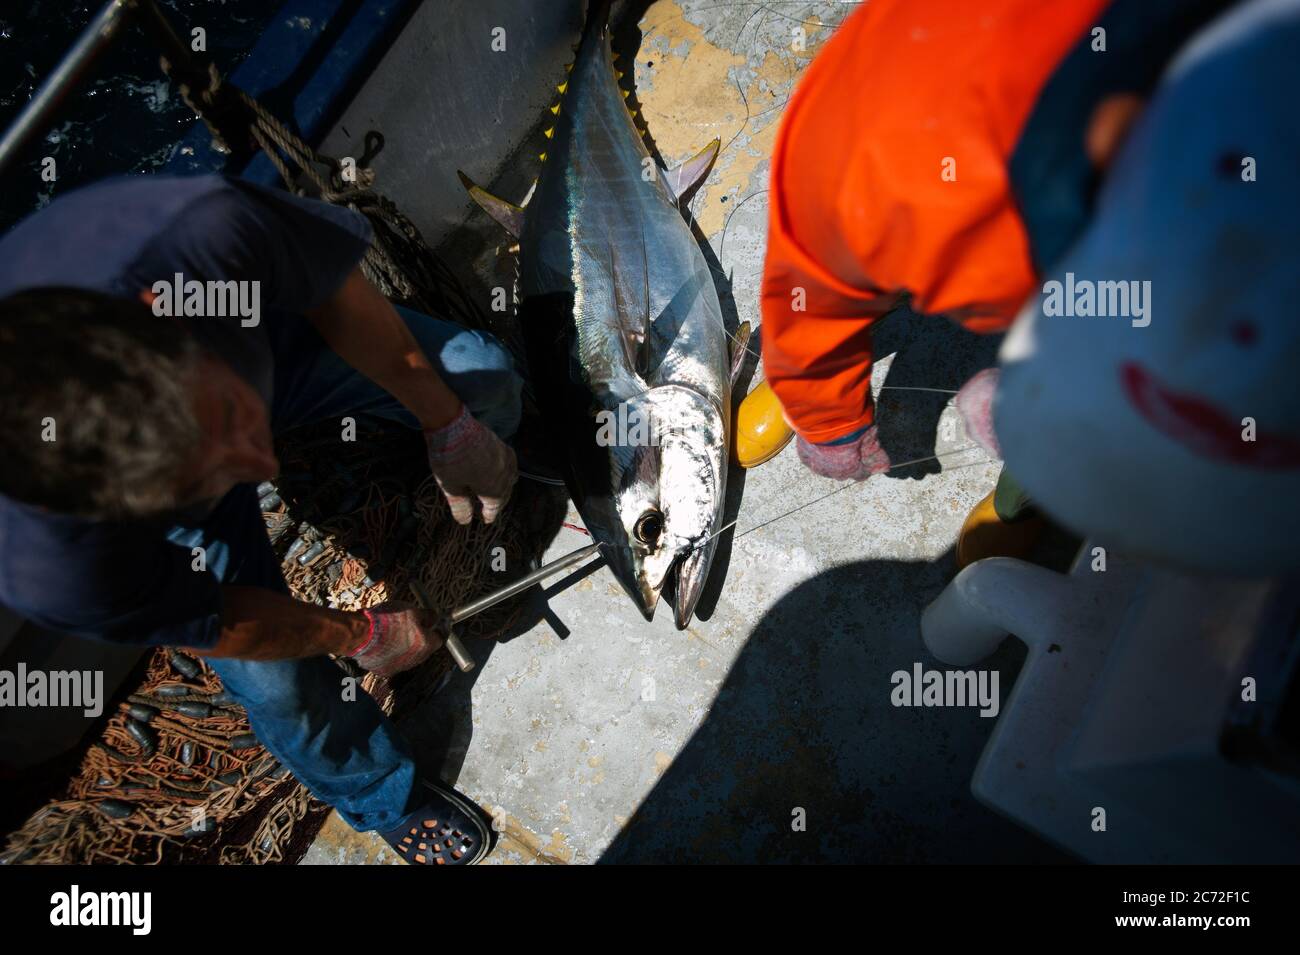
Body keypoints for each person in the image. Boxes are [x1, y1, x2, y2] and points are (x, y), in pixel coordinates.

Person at [0, 173, 520, 865]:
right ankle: (382, 795)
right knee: (282, 685)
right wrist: (362, 631)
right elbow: (231, 621)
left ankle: (486, 465)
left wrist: (447, 422)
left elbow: (335, 291)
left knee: (487, 380)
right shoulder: (50, 567)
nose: (259, 463)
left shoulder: (194, 231)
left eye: (229, 417)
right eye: (214, 468)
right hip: (176, 505)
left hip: (271, 345)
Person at [737, 0, 1237, 564]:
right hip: (905, 162)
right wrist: (827, 419)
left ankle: (1022, 498)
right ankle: (829, 381)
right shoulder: (853, 158)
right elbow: (809, 297)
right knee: (845, 282)